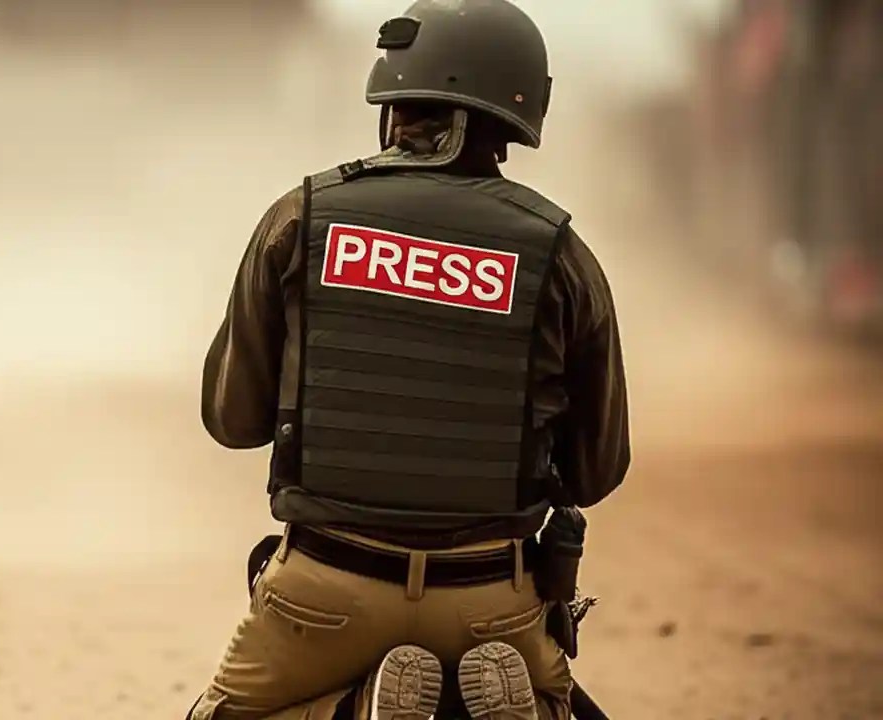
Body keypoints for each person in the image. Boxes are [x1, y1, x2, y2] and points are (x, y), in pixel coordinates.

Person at [190, 1, 630, 718]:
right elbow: (597, 471)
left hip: (325, 591)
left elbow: (232, 420)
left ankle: (351, 710)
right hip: (491, 600)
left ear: (394, 106)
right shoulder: (561, 254)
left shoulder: (301, 218)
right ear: (514, 122)